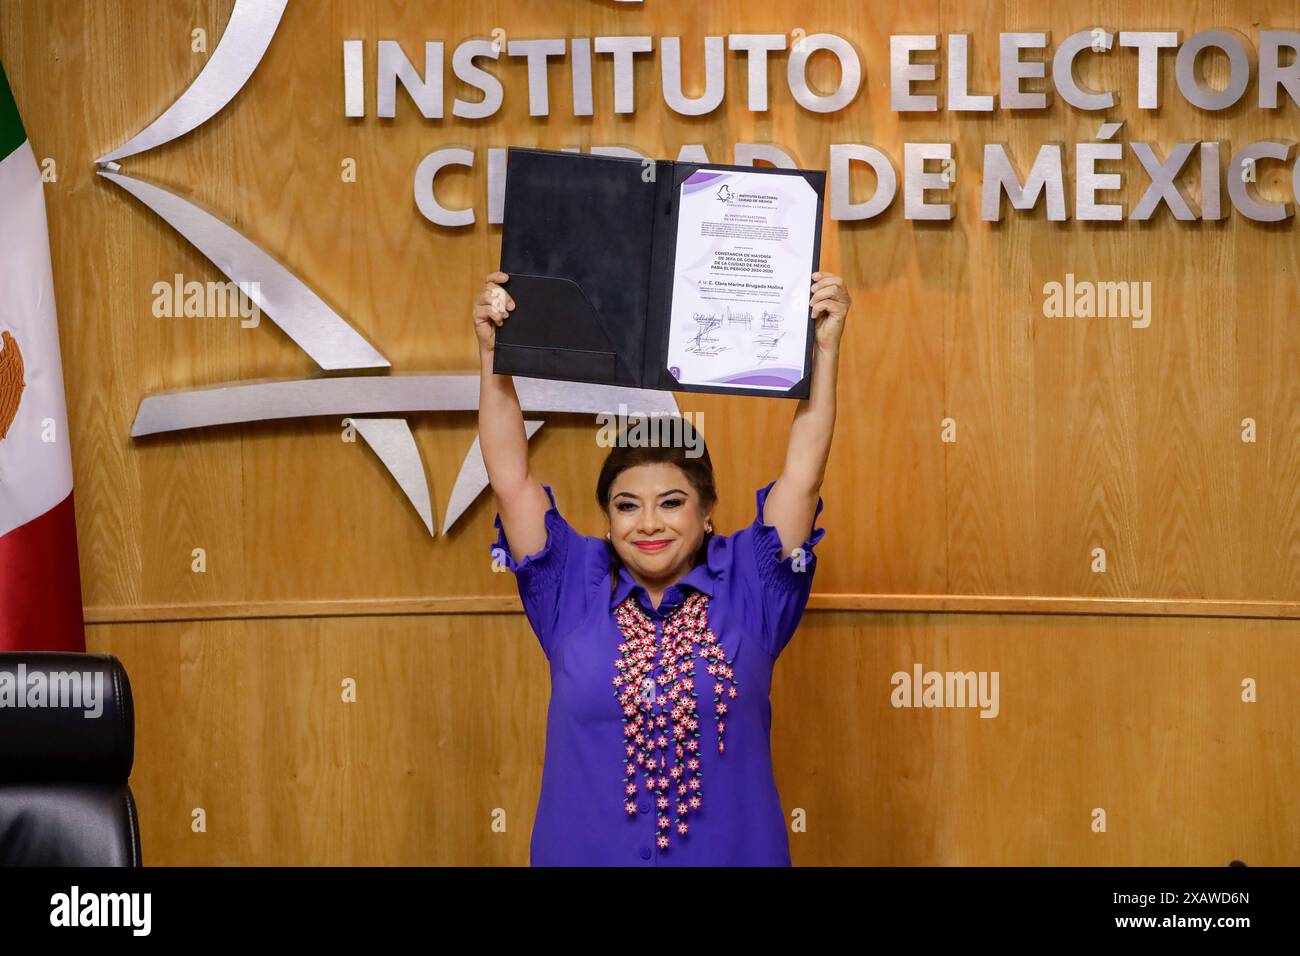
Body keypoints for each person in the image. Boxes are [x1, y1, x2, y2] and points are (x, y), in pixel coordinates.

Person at [475, 268, 850, 865]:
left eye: (671, 503)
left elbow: (805, 472)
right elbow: (511, 478)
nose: (648, 523)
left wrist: (824, 351)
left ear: (707, 515)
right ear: (606, 520)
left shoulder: (750, 581)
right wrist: (495, 355)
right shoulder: (572, 582)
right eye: (627, 506)